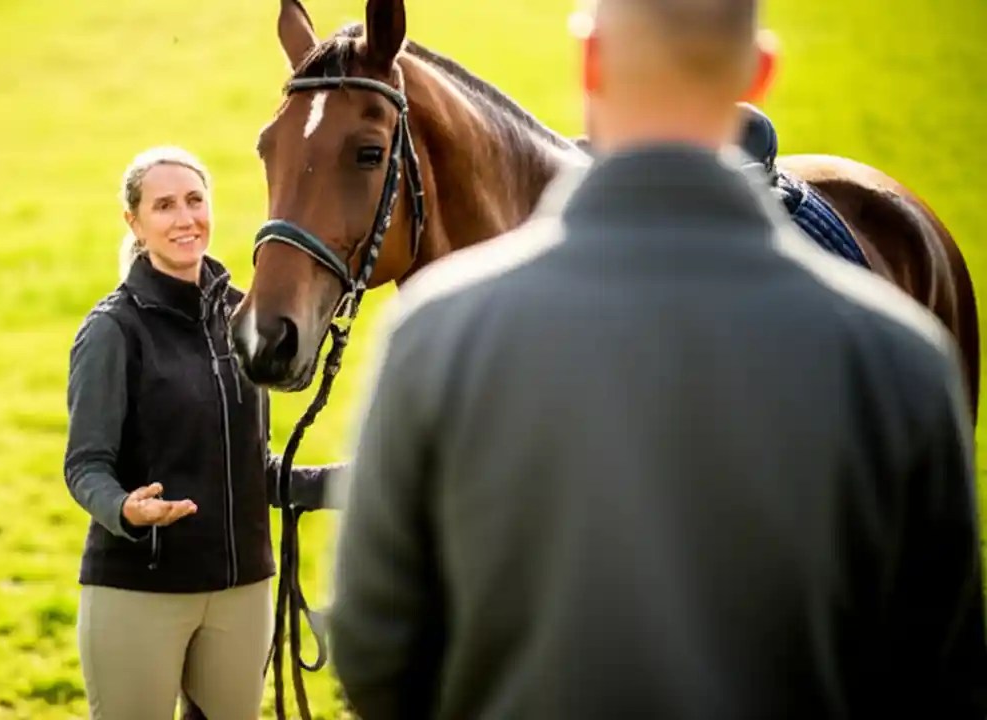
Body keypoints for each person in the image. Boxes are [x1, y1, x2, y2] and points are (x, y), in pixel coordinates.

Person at [328, 0, 986, 717]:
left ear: (589, 61)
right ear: (759, 74)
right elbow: (939, 669)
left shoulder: (433, 334)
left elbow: (372, 648)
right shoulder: (905, 362)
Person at [64, 145, 340, 720]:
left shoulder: (244, 319)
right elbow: (85, 464)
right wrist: (124, 510)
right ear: (134, 222)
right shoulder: (114, 330)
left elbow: (253, 467)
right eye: (164, 206)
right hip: (139, 590)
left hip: (242, 592)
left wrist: (356, 484)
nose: (185, 218)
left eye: (194, 200)